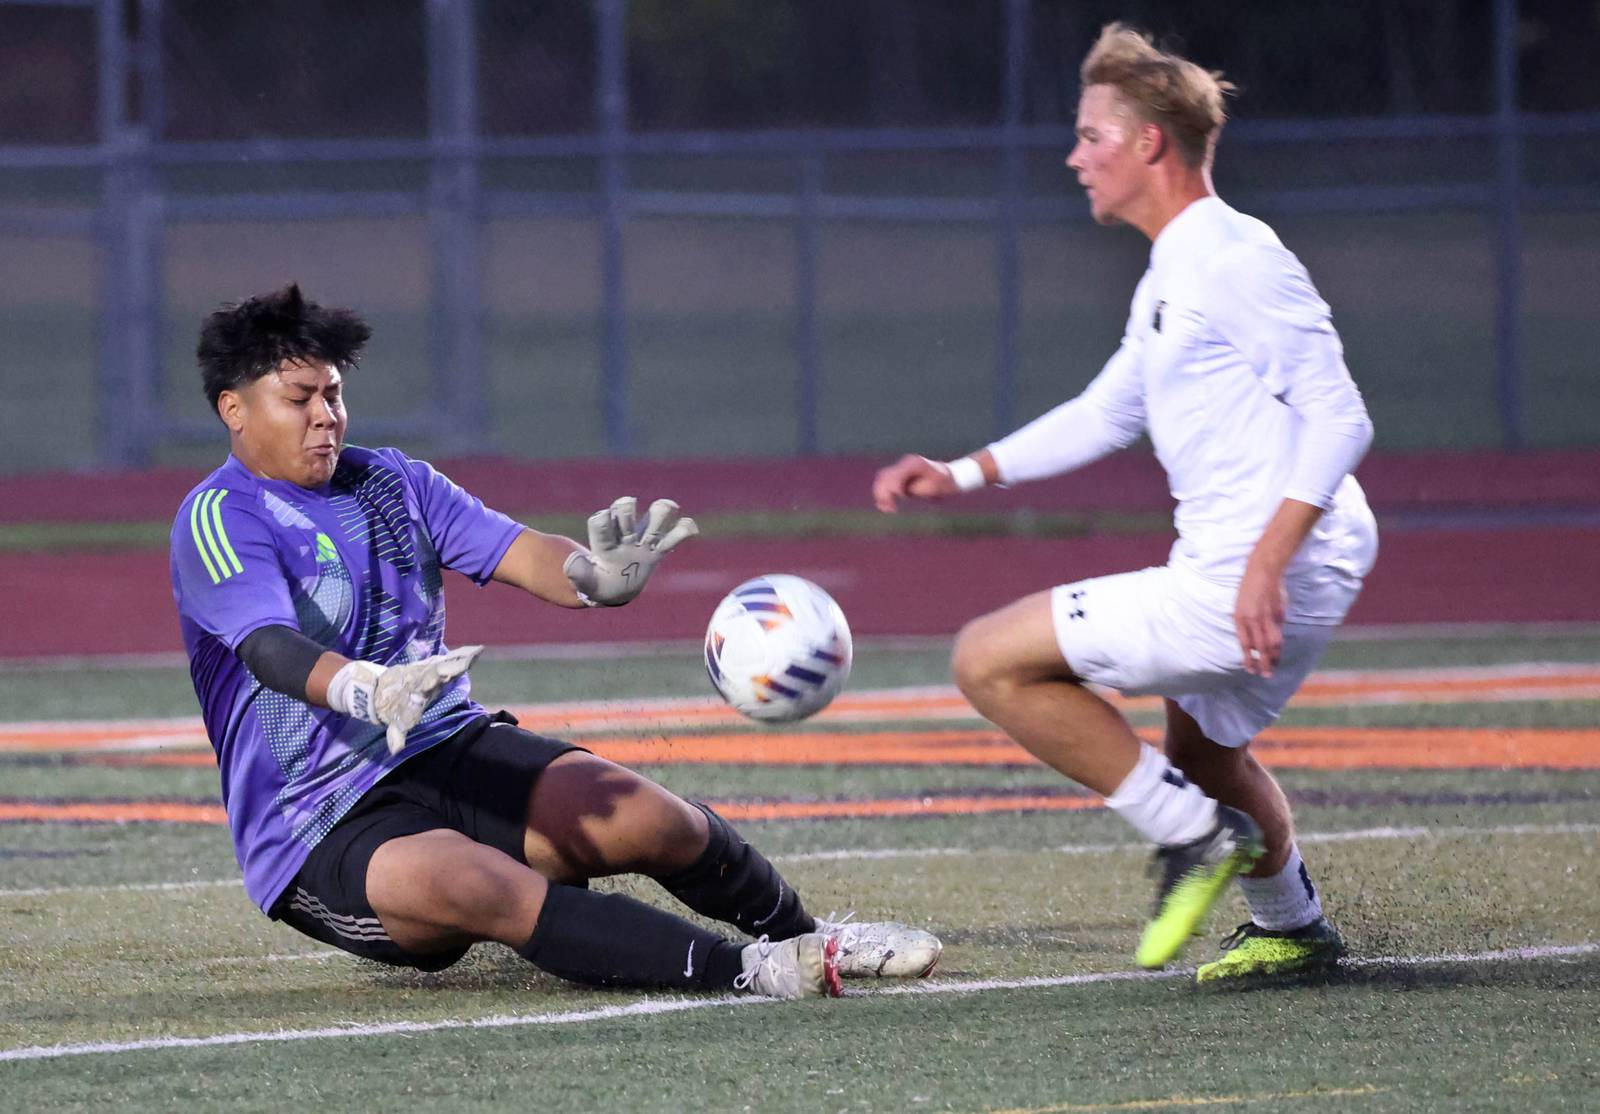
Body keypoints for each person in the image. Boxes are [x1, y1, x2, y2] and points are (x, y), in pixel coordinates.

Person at [170, 283, 940, 999]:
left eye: (333, 394)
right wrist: (364, 688)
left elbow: (518, 551)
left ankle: (809, 938)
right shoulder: (220, 516)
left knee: (654, 819)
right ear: (234, 409)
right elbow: (267, 645)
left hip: (446, 749)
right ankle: (748, 970)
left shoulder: (391, 482)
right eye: (298, 398)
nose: (326, 416)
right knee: (484, 888)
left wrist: (594, 575)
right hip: (320, 819)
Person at [872, 24, 1375, 983]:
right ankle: (1294, 927)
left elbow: (1341, 416)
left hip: (1253, 570)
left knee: (986, 659)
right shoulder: (1179, 263)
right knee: (1208, 751)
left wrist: (1265, 563)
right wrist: (963, 472)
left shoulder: (1231, 257)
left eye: (1092, 135)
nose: (1074, 157)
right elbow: (1110, 409)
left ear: (1150, 143)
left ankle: (1186, 835)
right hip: (1297, 553)